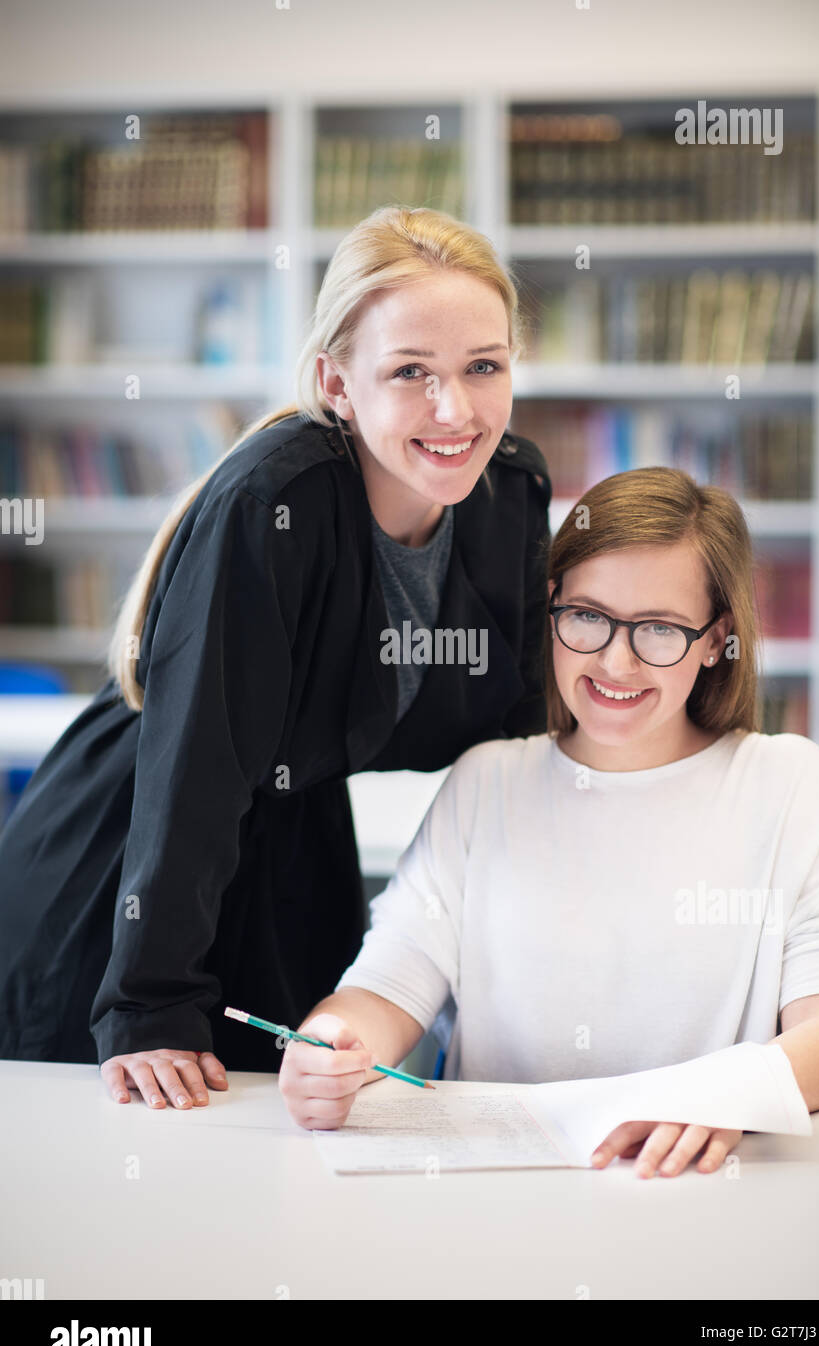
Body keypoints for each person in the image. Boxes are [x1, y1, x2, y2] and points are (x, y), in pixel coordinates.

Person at [0, 205, 553, 1111]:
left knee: (293, 1135)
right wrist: (149, 1003)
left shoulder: (510, 493)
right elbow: (198, 768)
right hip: (134, 856)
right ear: (338, 381)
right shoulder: (275, 501)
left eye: (481, 367)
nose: (454, 410)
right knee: (136, 1139)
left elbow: (521, 739)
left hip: (292, 840)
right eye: (409, 372)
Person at [278, 466, 819, 1179]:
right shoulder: (485, 782)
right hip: (499, 1200)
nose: (613, 661)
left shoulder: (786, 785)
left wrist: (719, 1096)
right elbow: (385, 985)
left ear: (716, 639)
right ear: (550, 607)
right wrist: (330, 1043)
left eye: (657, 629)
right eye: (587, 616)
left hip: (688, 1193)